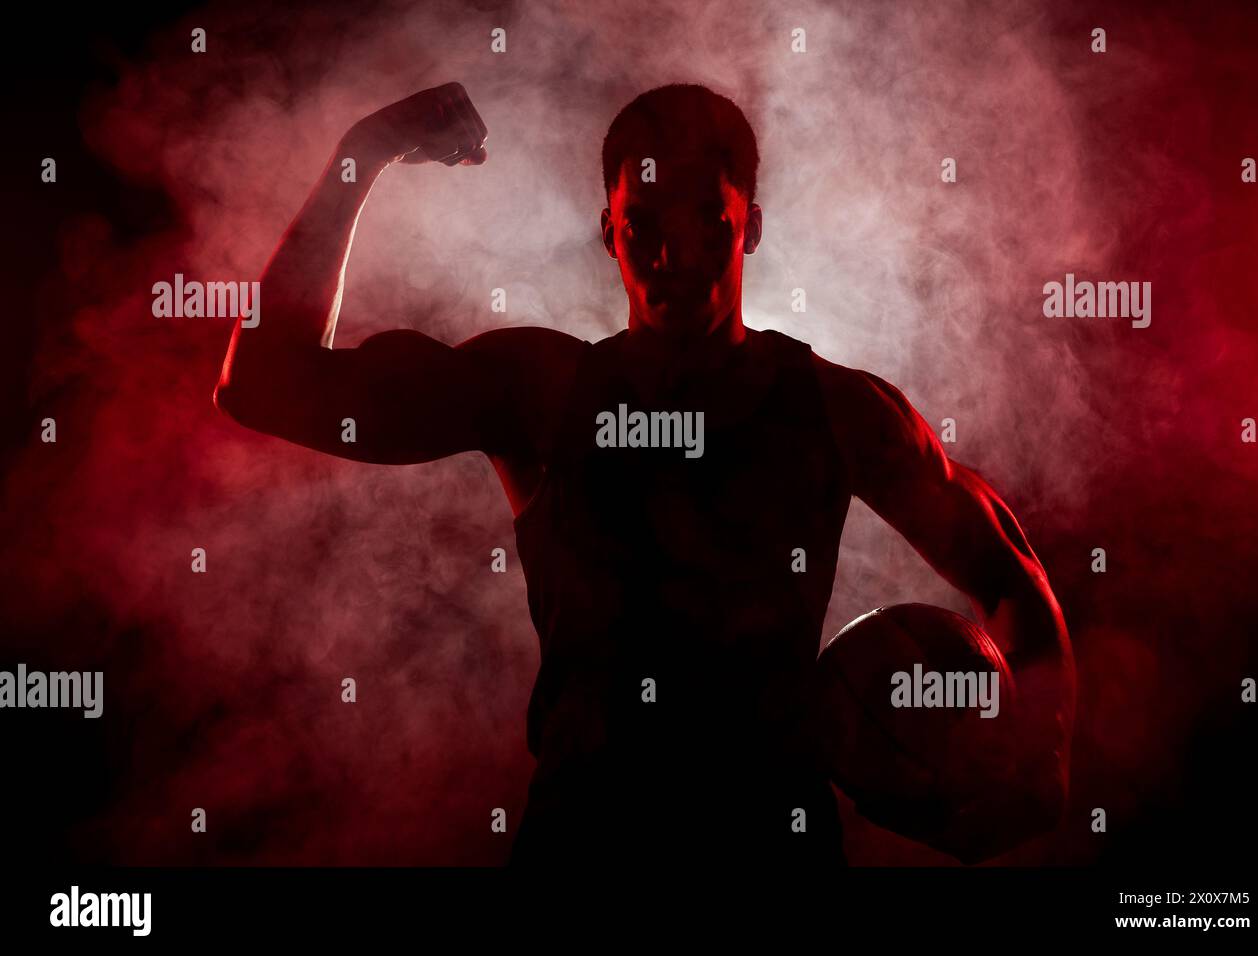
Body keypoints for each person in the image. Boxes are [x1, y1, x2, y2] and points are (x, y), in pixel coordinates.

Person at [214, 81, 1076, 866]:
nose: (677, 250)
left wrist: (1038, 766)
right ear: (607, 233)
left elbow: (1013, 575)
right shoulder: (539, 394)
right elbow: (261, 384)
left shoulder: (838, 410)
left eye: (709, 218)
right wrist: (365, 147)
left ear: (753, 226)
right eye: (646, 224)